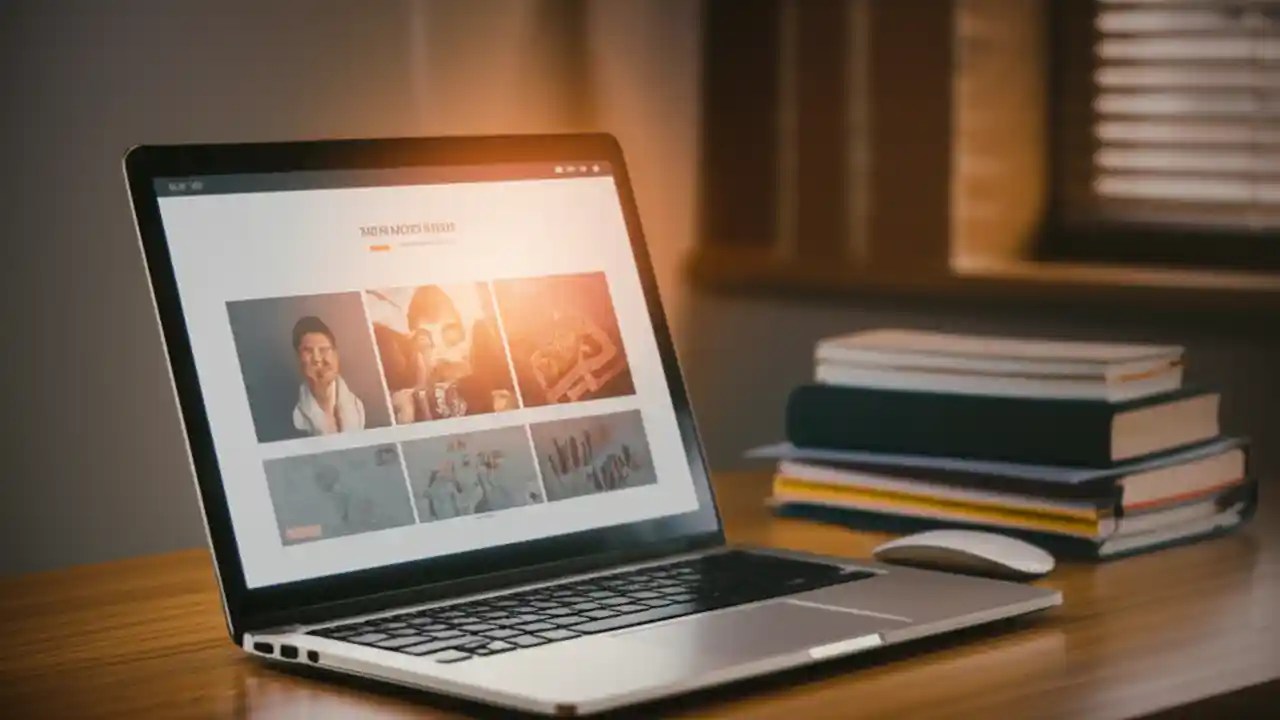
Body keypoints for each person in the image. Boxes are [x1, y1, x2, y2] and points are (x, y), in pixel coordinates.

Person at [371, 285, 516, 423]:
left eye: (452, 334)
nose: (440, 350)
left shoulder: (503, 397)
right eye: (424, 342)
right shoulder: (404, 405)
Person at [291, 316, 366, 436]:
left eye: (324, 349)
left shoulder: (358, 407)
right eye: (308, 351)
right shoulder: (295, 418)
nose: (317, 359)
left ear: (336, 355)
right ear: (298, 358)